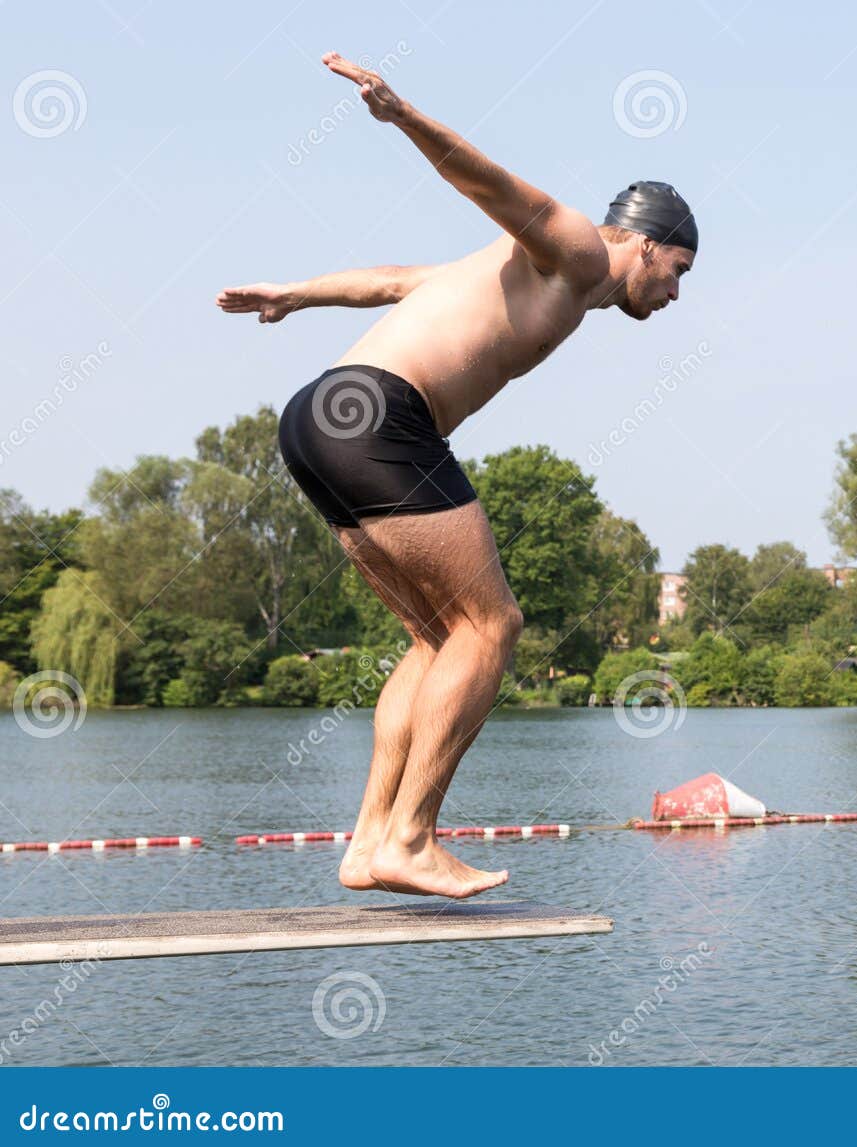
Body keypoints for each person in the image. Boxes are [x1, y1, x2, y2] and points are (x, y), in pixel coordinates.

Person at [216, 52, 697, 899]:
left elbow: (396, 282)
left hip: (318, 416)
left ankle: (369, 844)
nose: (676, 295)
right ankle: (411, 835)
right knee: (494, 624)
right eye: (679, 273)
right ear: (648, 245)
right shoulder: (581, 248)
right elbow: (493, 183)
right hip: (379, 417)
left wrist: (296, 292)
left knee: (440, 637)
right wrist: (403, 115)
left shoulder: (531, 278)